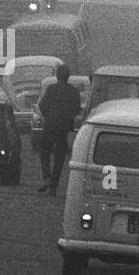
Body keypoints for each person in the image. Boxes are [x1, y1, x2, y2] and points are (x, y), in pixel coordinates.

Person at [36, 64, 81, 196]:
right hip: (64, 128)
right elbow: (77, 108)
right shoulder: (73, 91)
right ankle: (54, 185)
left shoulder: (51, 89)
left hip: (50, 125)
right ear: (68, 76)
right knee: (60, 157)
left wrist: (48, 116)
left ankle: (46, 177)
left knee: (44, 151)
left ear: (57, 76)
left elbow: (42, 105)